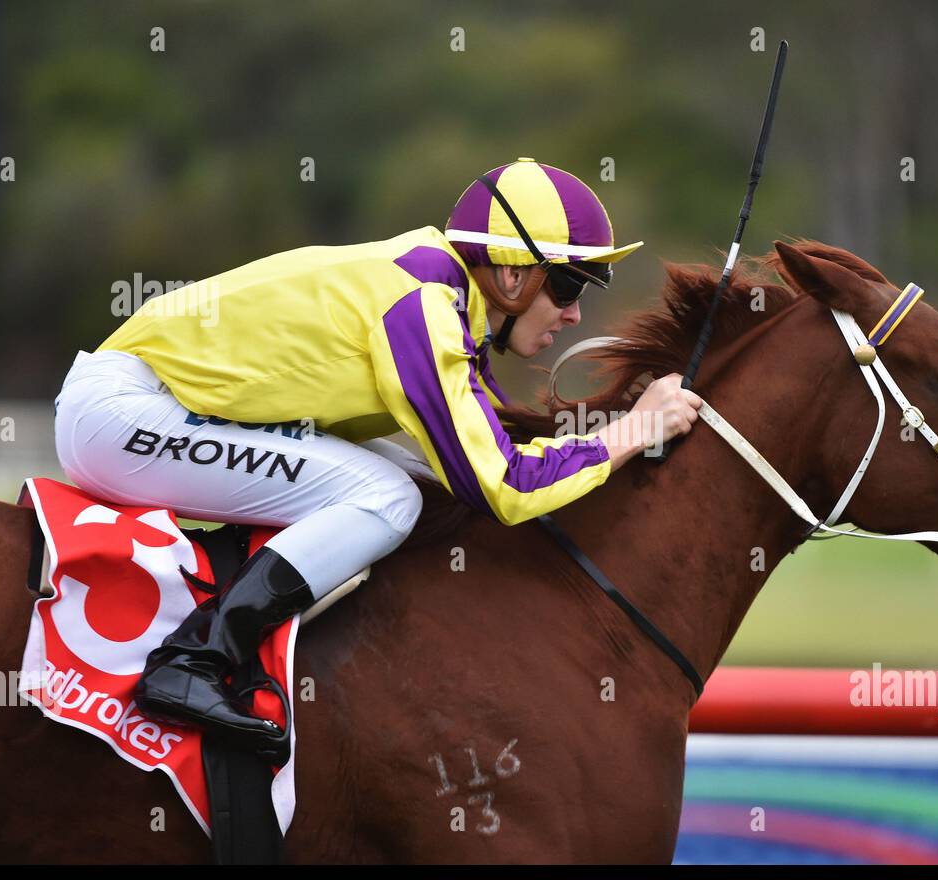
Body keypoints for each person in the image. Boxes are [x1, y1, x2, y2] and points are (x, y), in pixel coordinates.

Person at [52, 157, 701, 756]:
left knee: (411, 479)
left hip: (148, 404)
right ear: (511, 273)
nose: (575, 313)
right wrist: (632, 430)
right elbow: (506, 484)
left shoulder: (437, 289)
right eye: (566, 285)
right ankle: (196, 657)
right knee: (389, 496)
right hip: (125, 414)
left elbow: (482, 459)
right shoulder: (422, 306)